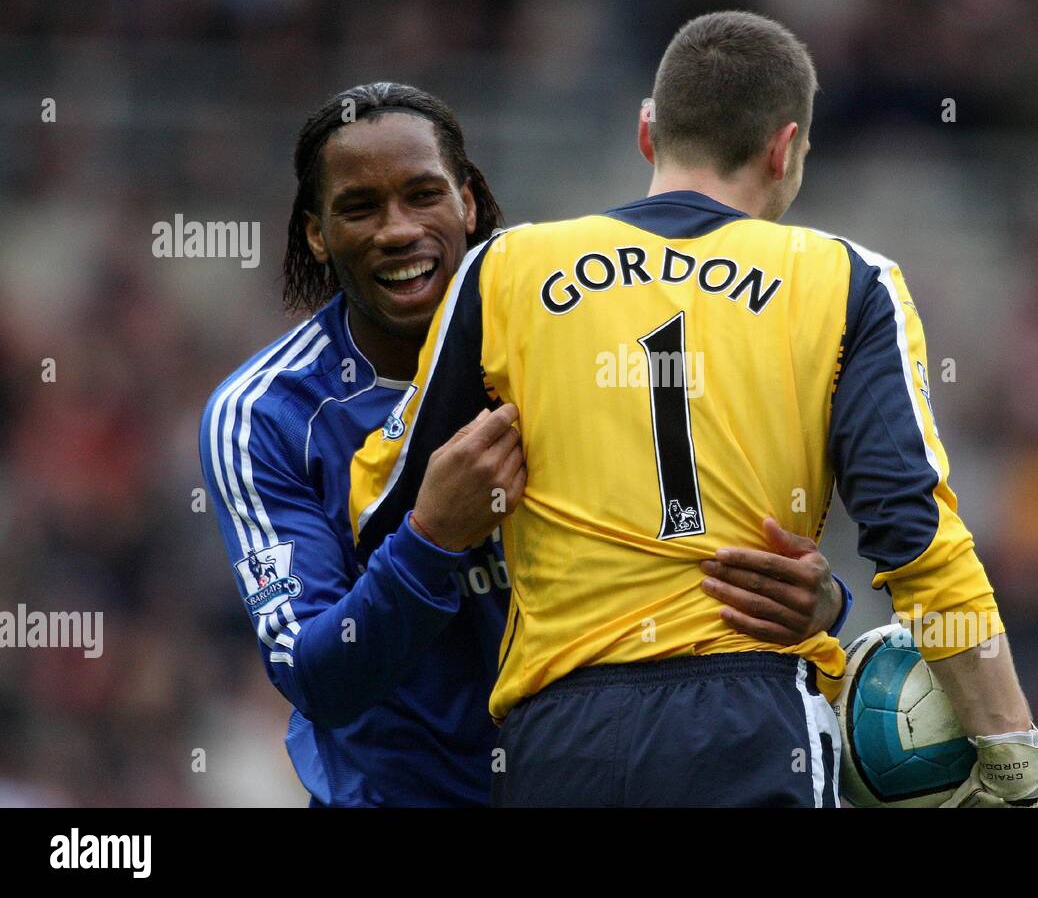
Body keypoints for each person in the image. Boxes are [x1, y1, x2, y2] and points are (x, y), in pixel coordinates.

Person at [349, 13, 1038, 808]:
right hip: (747, 723)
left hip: (557, 739)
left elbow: (383, 505)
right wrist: (1010, 746)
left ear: (648, 132)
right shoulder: (846, 281)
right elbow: (914, 533)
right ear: (785, 149)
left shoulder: (505, 269)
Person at [199, 81, 853, 807]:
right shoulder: (265, 415)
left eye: (423, 194)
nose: (397, 229)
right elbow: (317, 675)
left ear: (469, 202)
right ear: (317, 232)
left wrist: (821, 601)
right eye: (359, 207)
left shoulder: (583, 337)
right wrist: (430, 538)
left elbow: (685, 550)